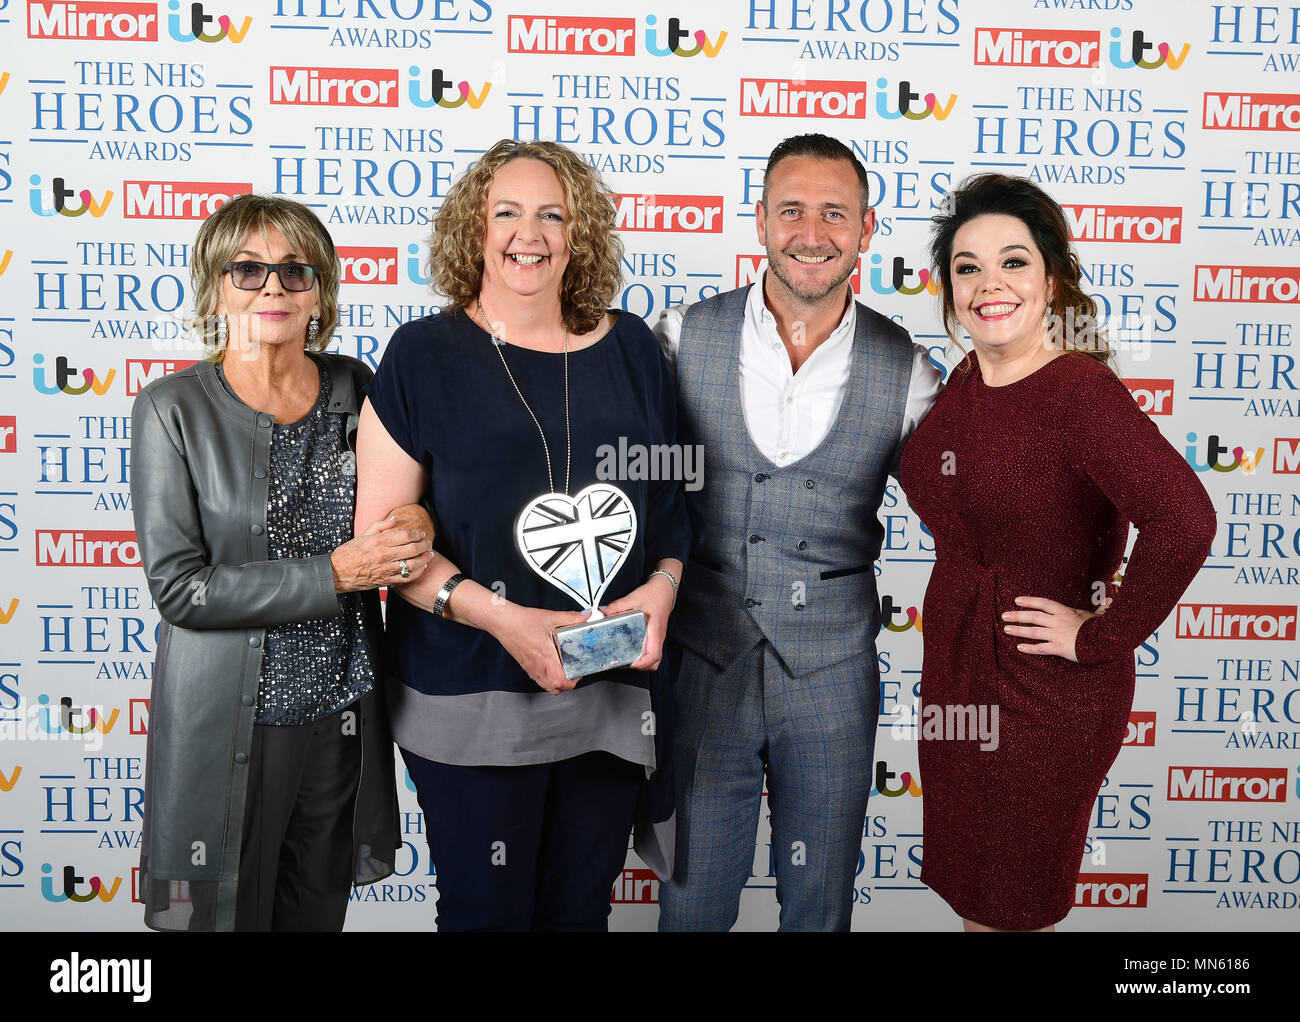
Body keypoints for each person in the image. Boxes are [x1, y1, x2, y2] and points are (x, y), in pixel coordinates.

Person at [354, 138, 691, 932]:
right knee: (487, 916)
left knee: (578, 914)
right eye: (506, 212)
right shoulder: (422, 357)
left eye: (551, 214)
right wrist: (506, 619)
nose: (528, 232)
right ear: (476, 230)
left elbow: (673, 505)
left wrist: (662, 590)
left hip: (608, 694)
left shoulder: (634, 348)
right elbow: (386, 546)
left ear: (579, 237)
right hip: (471, 699)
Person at [899, 173, 1217, 931]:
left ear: (1053, 277)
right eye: (968, 267)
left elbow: (1185, 519)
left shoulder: (1079, 392)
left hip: (1044, 699)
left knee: (1012, 908)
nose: (987, 284)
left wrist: (1102, 635)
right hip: (958, 680)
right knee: (978, 904)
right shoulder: (967, 380)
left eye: (1013, 261)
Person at [653, 133, 944, 931]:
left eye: (833, 214)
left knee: (819, 907)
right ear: (759, 221)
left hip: (832, 674)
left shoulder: (909, 370)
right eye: (791, 211)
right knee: (691, 902)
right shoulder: (679, 338)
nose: (811, 234)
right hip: (701, 662)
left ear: (867, 228)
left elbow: (974, 503)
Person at [130, 194, 434, 931]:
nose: (273, 287)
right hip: (233, 723)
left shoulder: (354, 387)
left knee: (314, 916)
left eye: (295, 271)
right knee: (226, 918)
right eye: (249, 270)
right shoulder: (172, 408)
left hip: (342, 716)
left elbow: (407, 503)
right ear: (214, 285)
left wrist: (420, 515)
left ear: (320, 290)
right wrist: (336, 574)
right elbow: (181, 589)